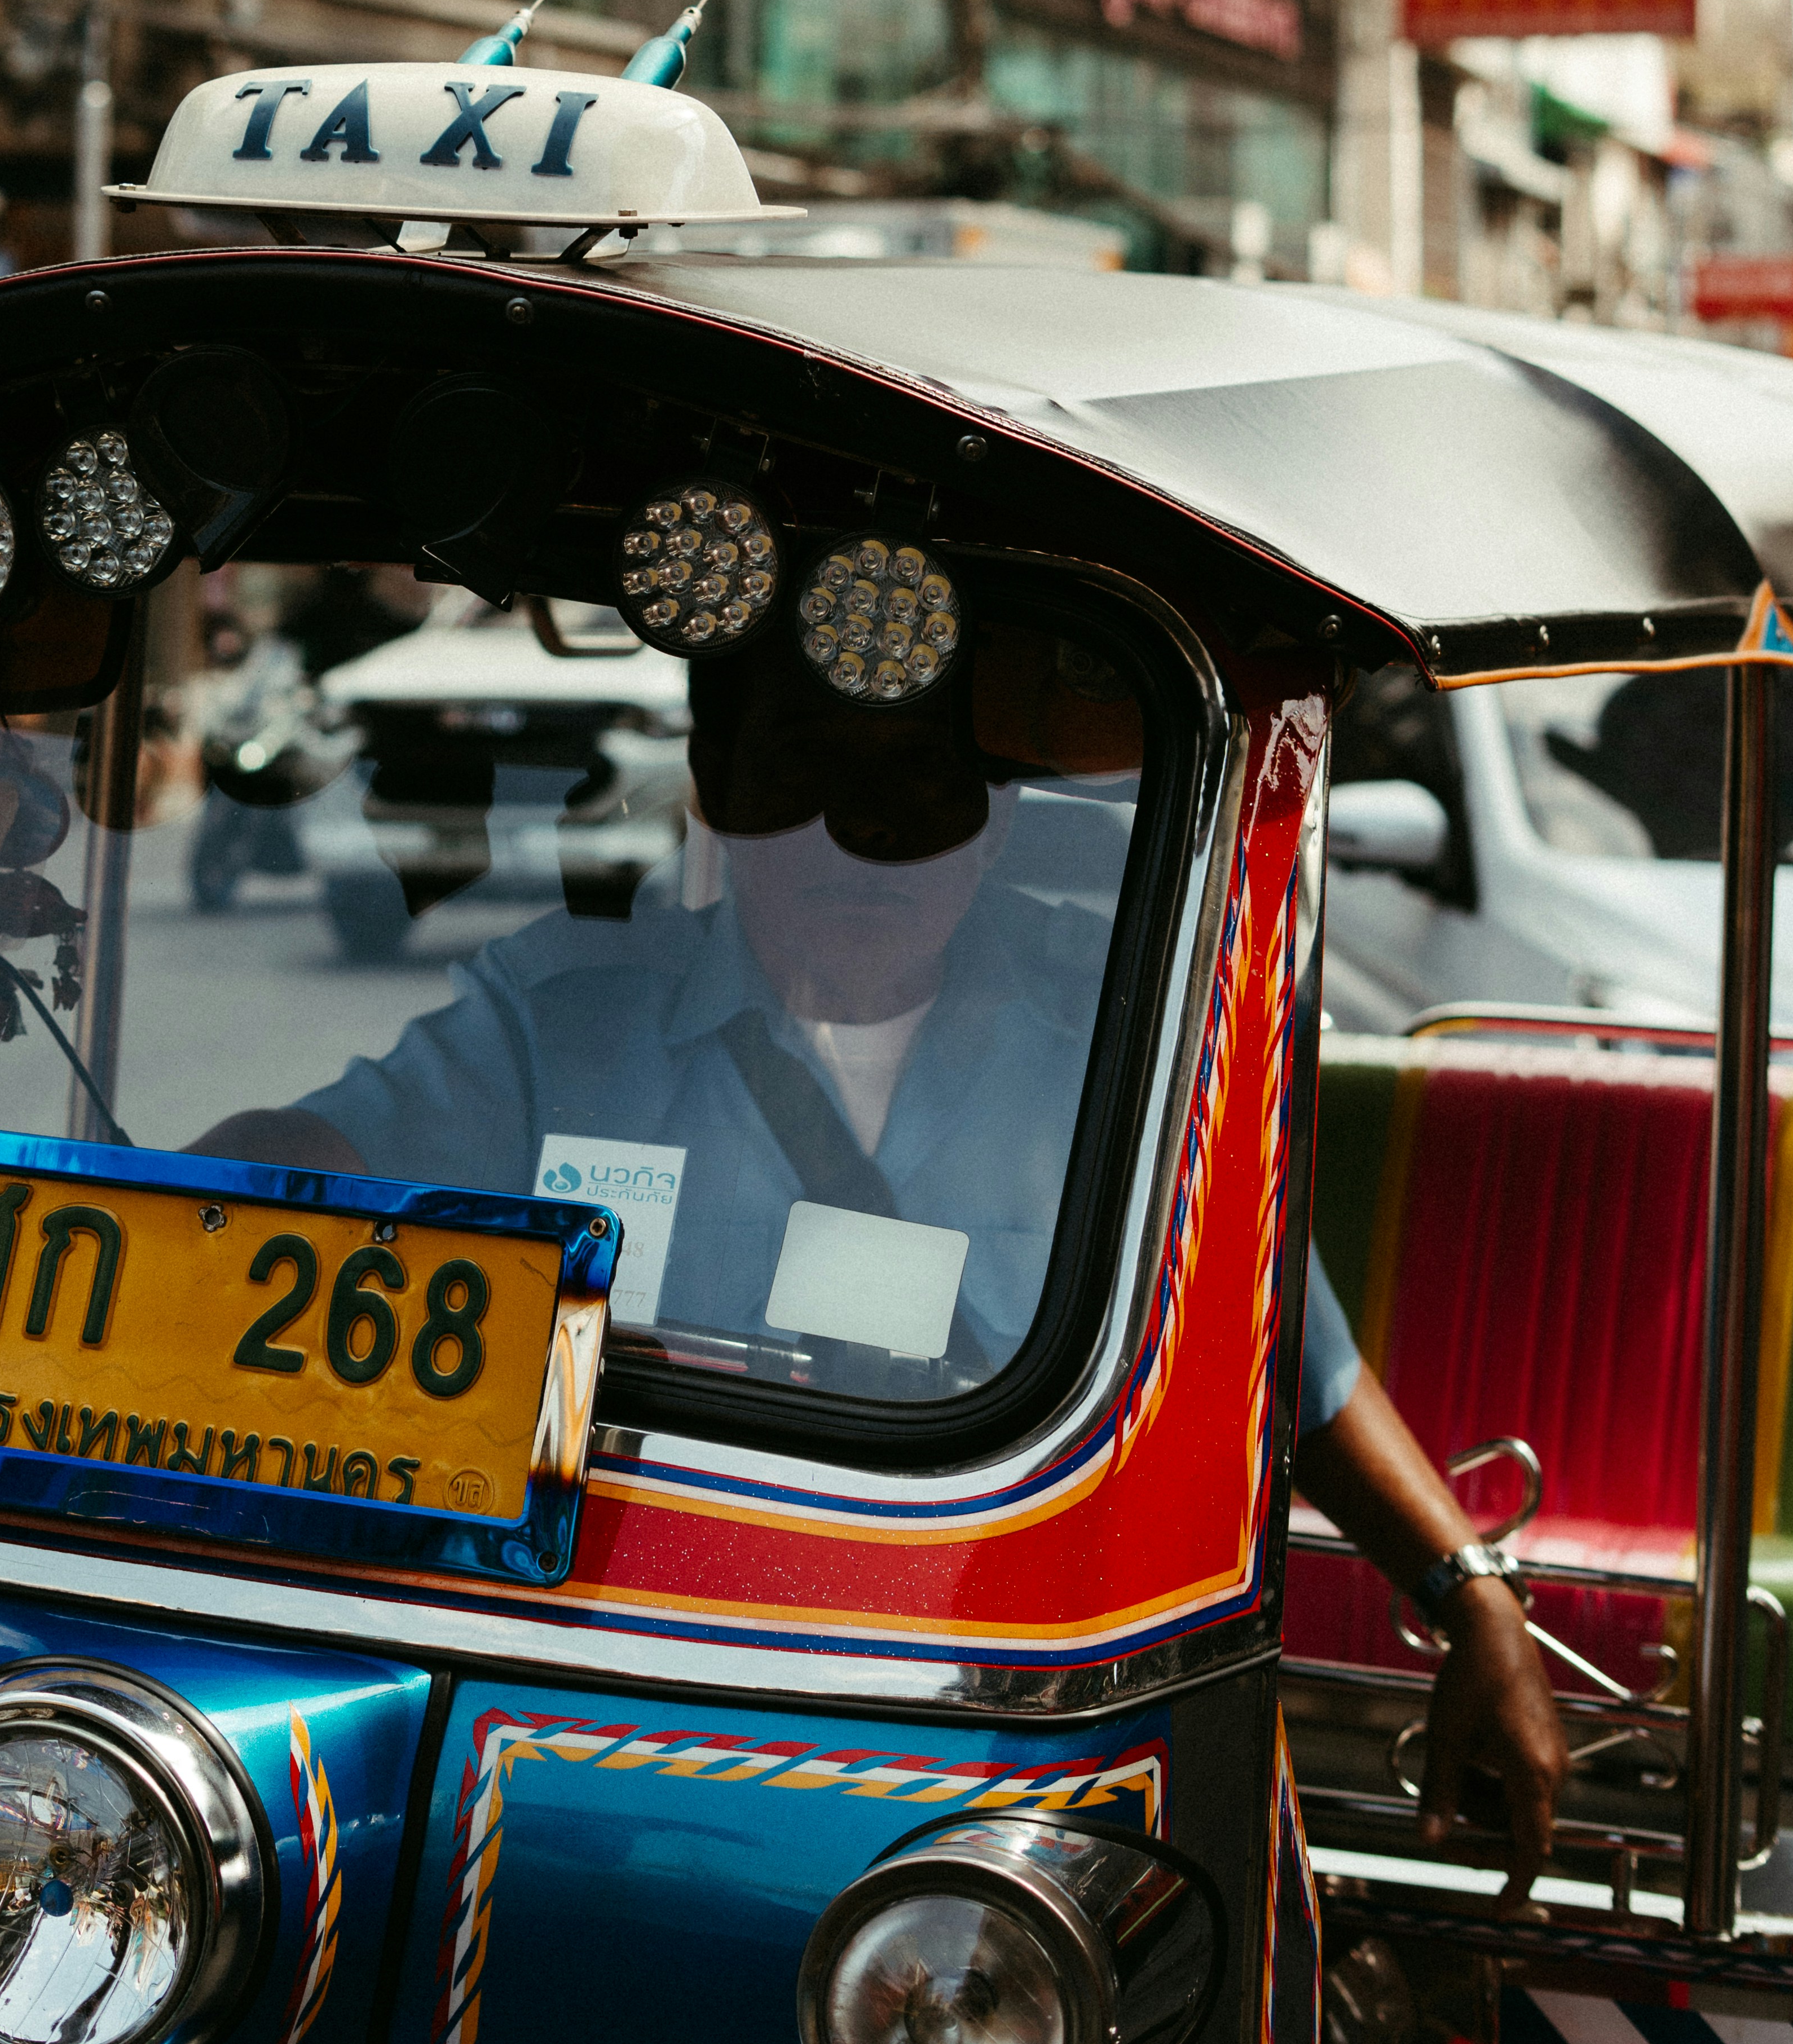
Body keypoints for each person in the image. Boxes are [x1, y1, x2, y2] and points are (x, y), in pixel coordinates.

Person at [201, 609, 1569, 1898]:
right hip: (605, 1687)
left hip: (984, 1709)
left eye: (912, 790)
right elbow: (317, 1157)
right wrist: (174, 1205)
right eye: (799, 778)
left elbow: (1292, 1360)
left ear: (987, 822)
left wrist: (1474, 1599)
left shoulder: (1118, 1039)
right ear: (718, 790)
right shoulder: (558, 1023)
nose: (860, 843)